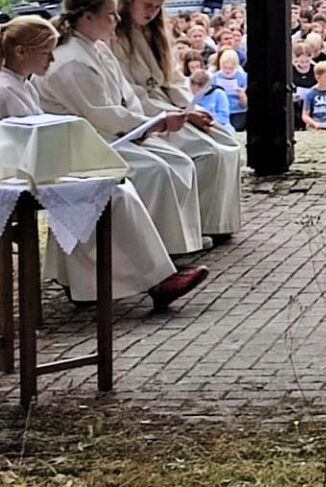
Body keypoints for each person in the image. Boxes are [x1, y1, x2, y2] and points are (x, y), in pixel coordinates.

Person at [0, 17, 208, 309]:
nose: (51, 60)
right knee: (108, 196)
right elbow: (16, 145)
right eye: (45, 53)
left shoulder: (23, 85)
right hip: (17, 178)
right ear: (21, 51)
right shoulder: (5, 90)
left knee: (116, 188)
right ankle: (153, 280)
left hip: (38, 171)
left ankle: (95, 281)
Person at [37, 0, 206, 256]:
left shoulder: (98, 48)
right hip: (80, 143)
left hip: (108, 134)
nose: (117, 19)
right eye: (110, 14)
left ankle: (173, 245)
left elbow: (126, 96)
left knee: (179, 161)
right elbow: (102, 114)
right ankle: (147, 254)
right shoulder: (72, 60)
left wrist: (153, 121)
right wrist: (157, 124)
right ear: (87, 17)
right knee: (155, 171)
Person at [111, 0, 242, 243]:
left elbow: (173, 78)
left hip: (169, 102)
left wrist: (190, 108)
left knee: (225, 141)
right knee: (206, 152)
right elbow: (129, 91)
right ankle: (195, 228)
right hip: (148, 110)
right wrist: (176, 115)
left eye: (157, 7)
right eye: (147, 5)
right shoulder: (115, 37)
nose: (151, 12)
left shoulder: (155, 33)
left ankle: (217, 222)